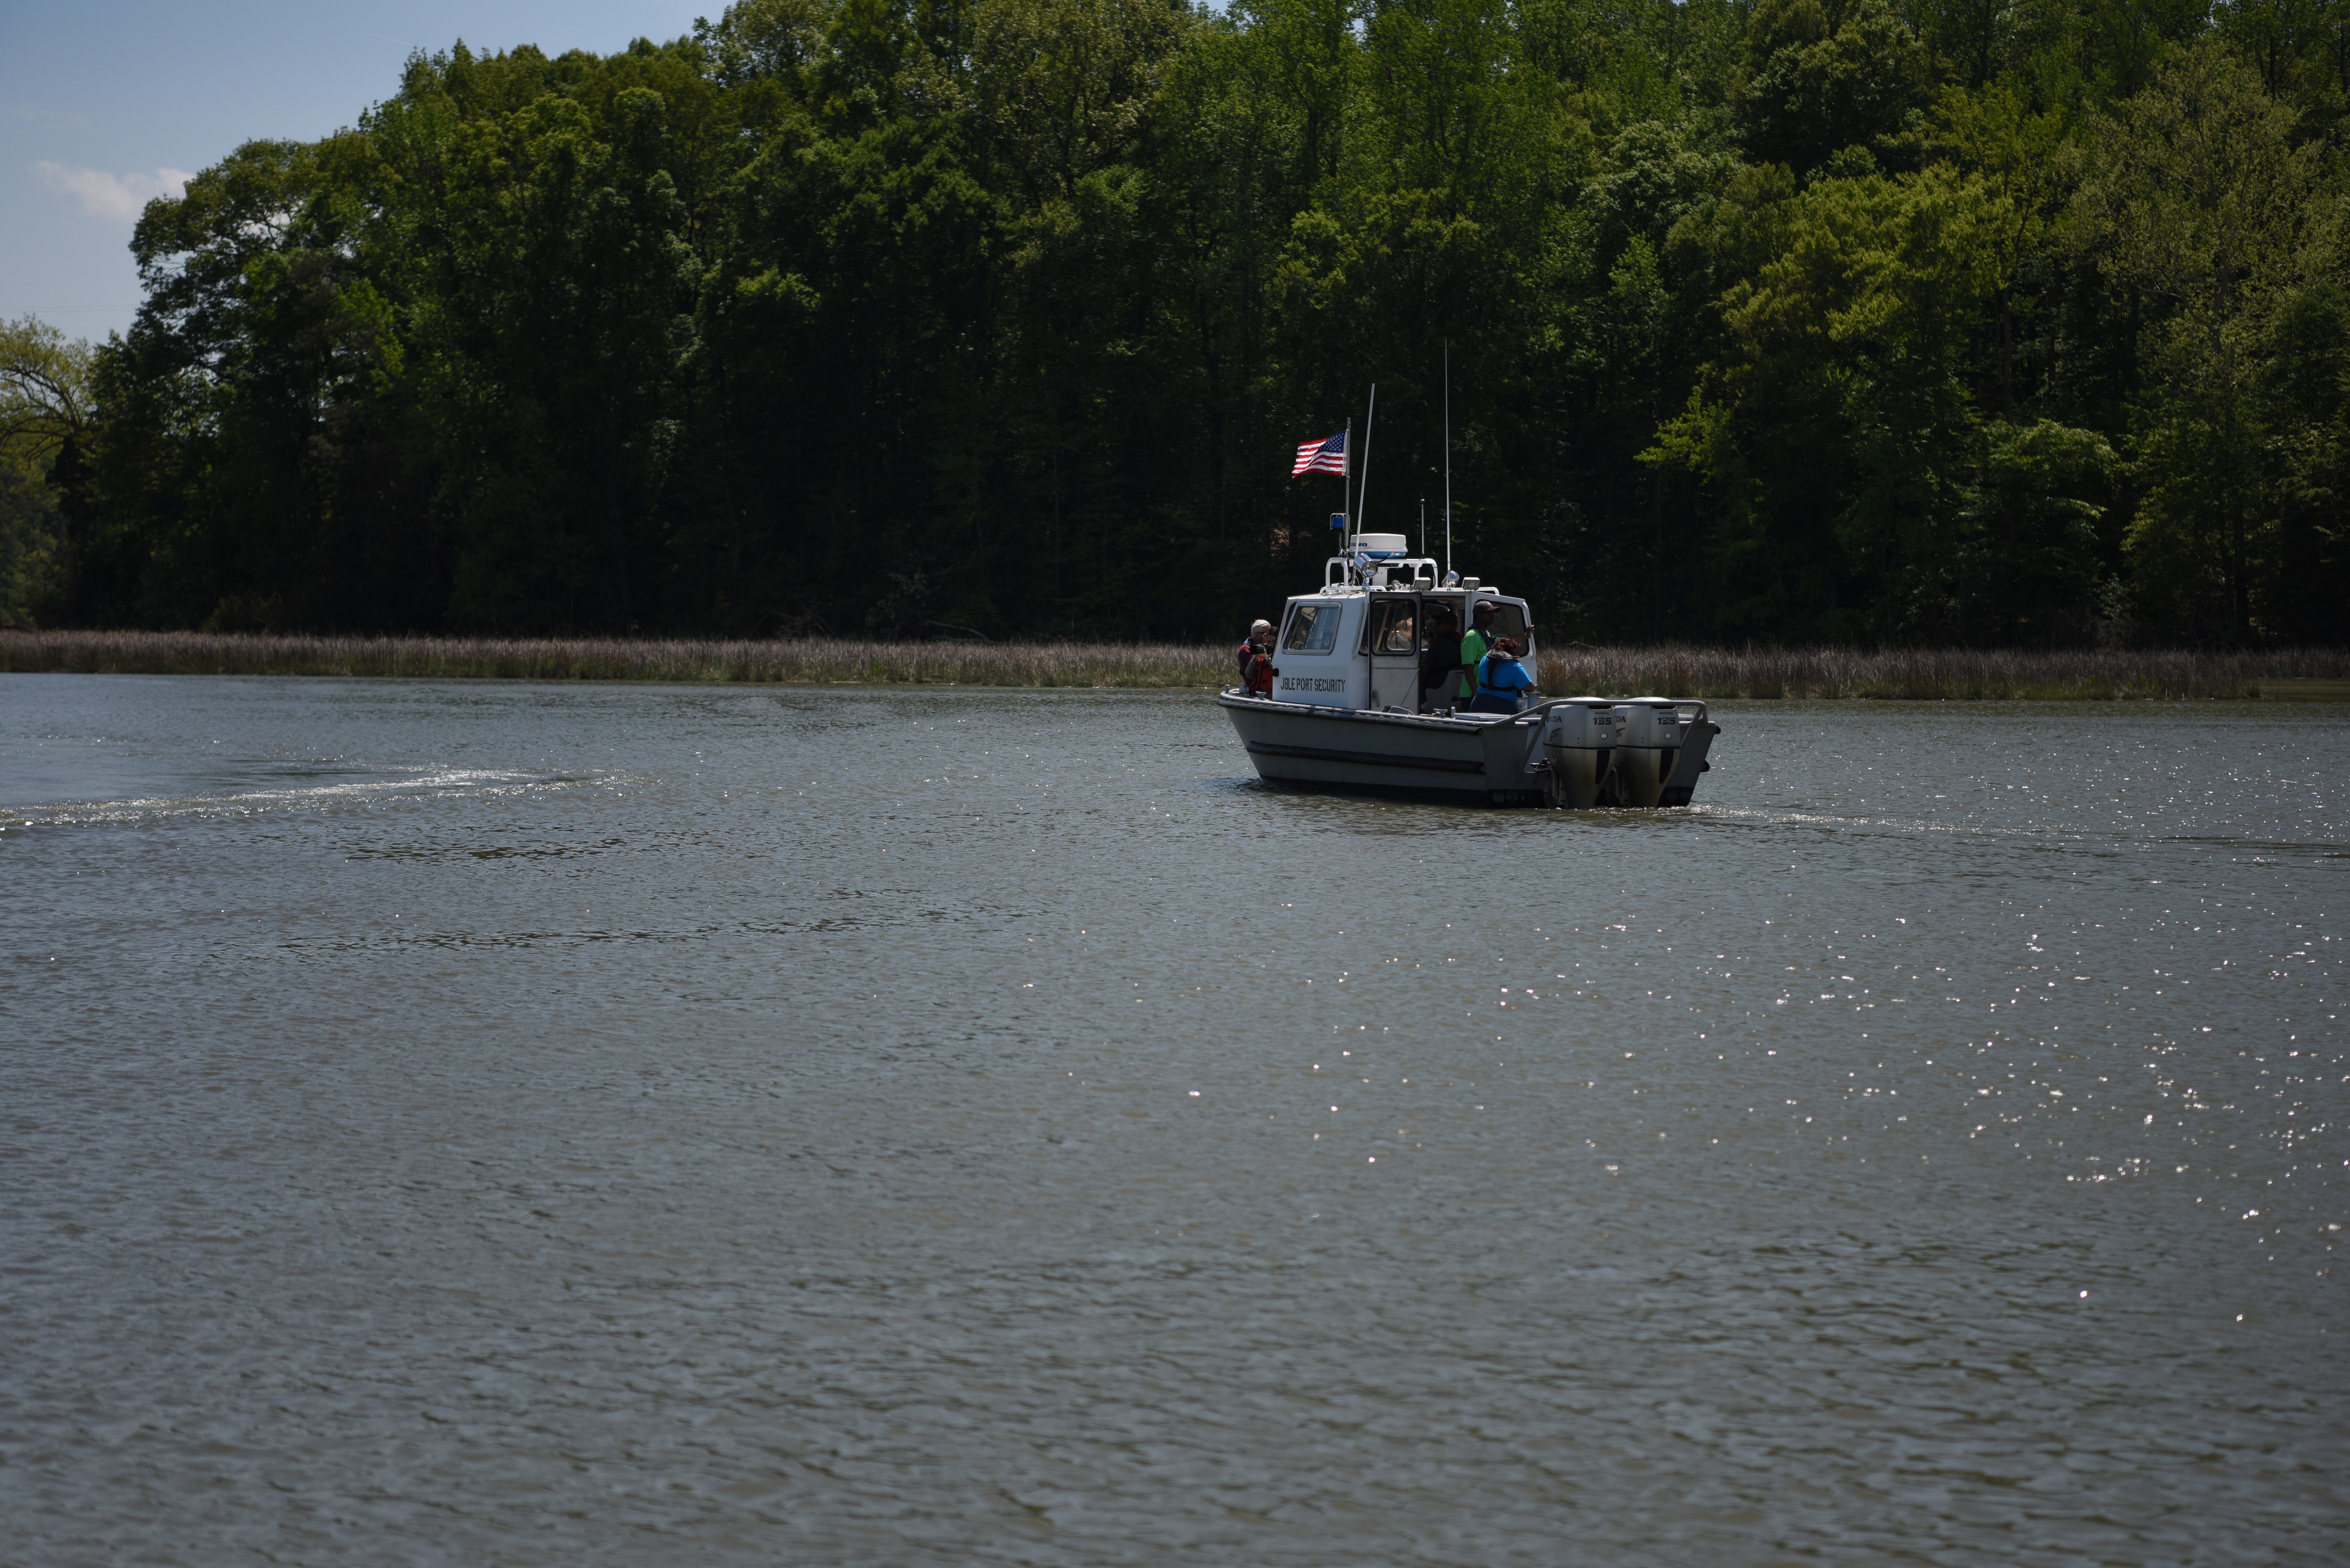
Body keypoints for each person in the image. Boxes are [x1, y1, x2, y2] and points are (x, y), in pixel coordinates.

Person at [1465, 636, 1537, 714]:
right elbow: (1530, 688)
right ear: (1513, 652)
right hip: (1503, 706)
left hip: (1478, 704)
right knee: (1520, 724)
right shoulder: (1515, 667)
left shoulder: (1484, 659)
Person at [1421, 605, 1462, 712]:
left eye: (1438, 624)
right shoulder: (1462, 641)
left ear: (1448, 625)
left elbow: (1424, 670)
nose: (1435, 627)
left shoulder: (1439, 643)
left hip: (1435, 689)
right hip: (1456, 693)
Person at [1457, 600, 1498, 704]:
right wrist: (1476, 692)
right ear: (1479, 616)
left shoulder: (1487, 635)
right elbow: (1468, 666)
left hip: (1484, 692)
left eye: (1493, 613)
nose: (1493, 616)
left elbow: (1506, 641)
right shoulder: (1472, 636)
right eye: (1489, 613)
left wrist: (1526, 636)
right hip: (1472, 695)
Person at [1236, 618, 1276, 696]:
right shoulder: (1247, 648)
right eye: (1267, 634)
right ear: (1258, 635)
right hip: (1255, 689)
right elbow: (1254, 670)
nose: (1269, 637)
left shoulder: (1269, 648)